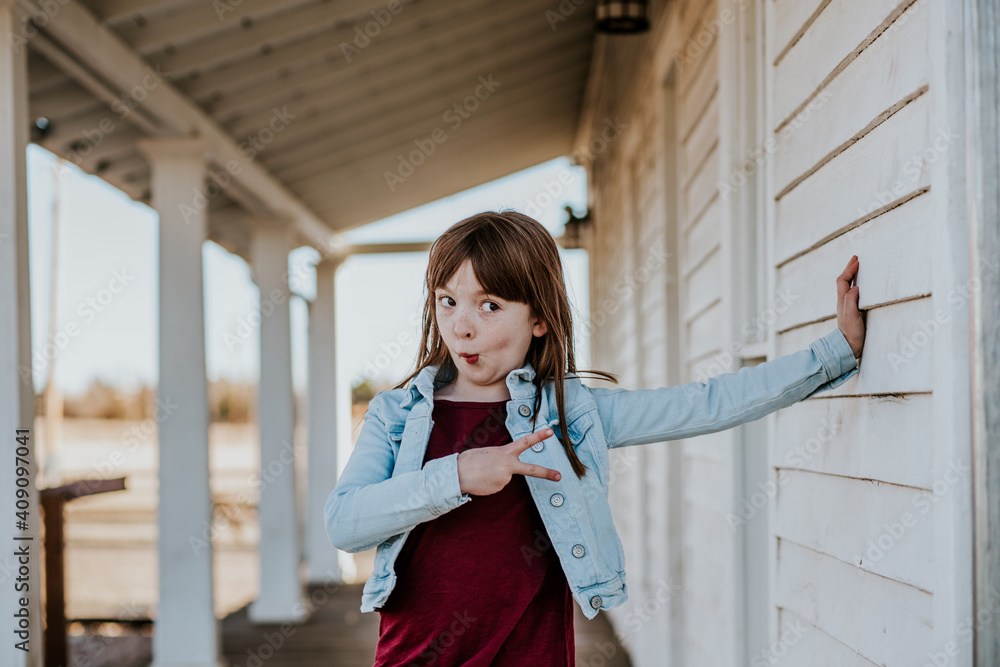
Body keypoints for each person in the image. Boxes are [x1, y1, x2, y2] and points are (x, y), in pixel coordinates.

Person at [325, 210, 866, 666]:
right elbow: (345, 523)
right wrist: (457, 475)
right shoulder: (398, 415)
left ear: (539, 319)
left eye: (489, 305)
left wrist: (834, 353)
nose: (462, 326)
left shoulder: (570, 414)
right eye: (447, 301)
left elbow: (706, 403)